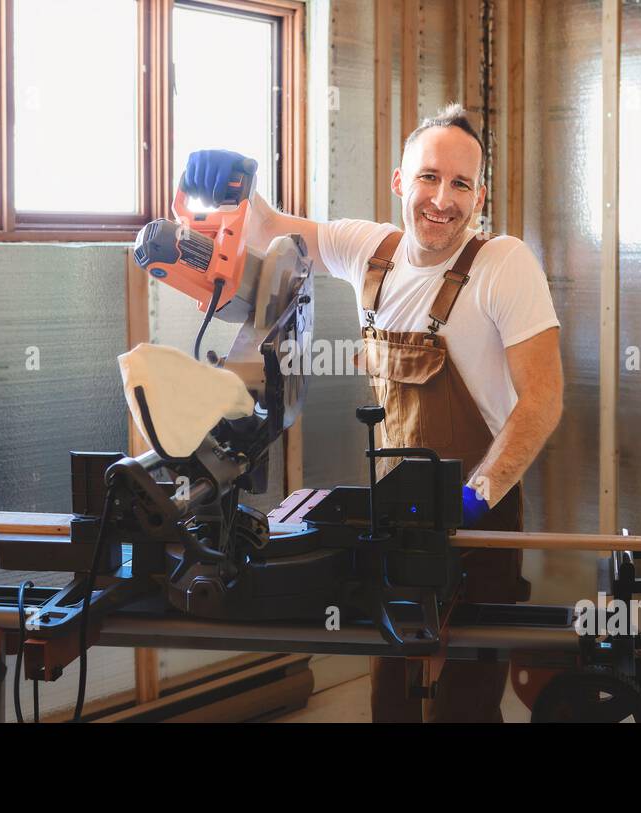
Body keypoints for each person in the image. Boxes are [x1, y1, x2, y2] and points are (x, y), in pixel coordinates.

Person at [181, 103, 564, 722]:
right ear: (399, 181)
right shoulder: (370, 252)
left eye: (461, 184)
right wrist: (230, 185)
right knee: (390, 692)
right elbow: (269, 229)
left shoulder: (504, 265)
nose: (442, 199)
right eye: (428, 177)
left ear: (480, 195)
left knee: (466, 699)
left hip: (481, 515)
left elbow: (544, 402)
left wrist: (478, 494)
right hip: (394, 511)